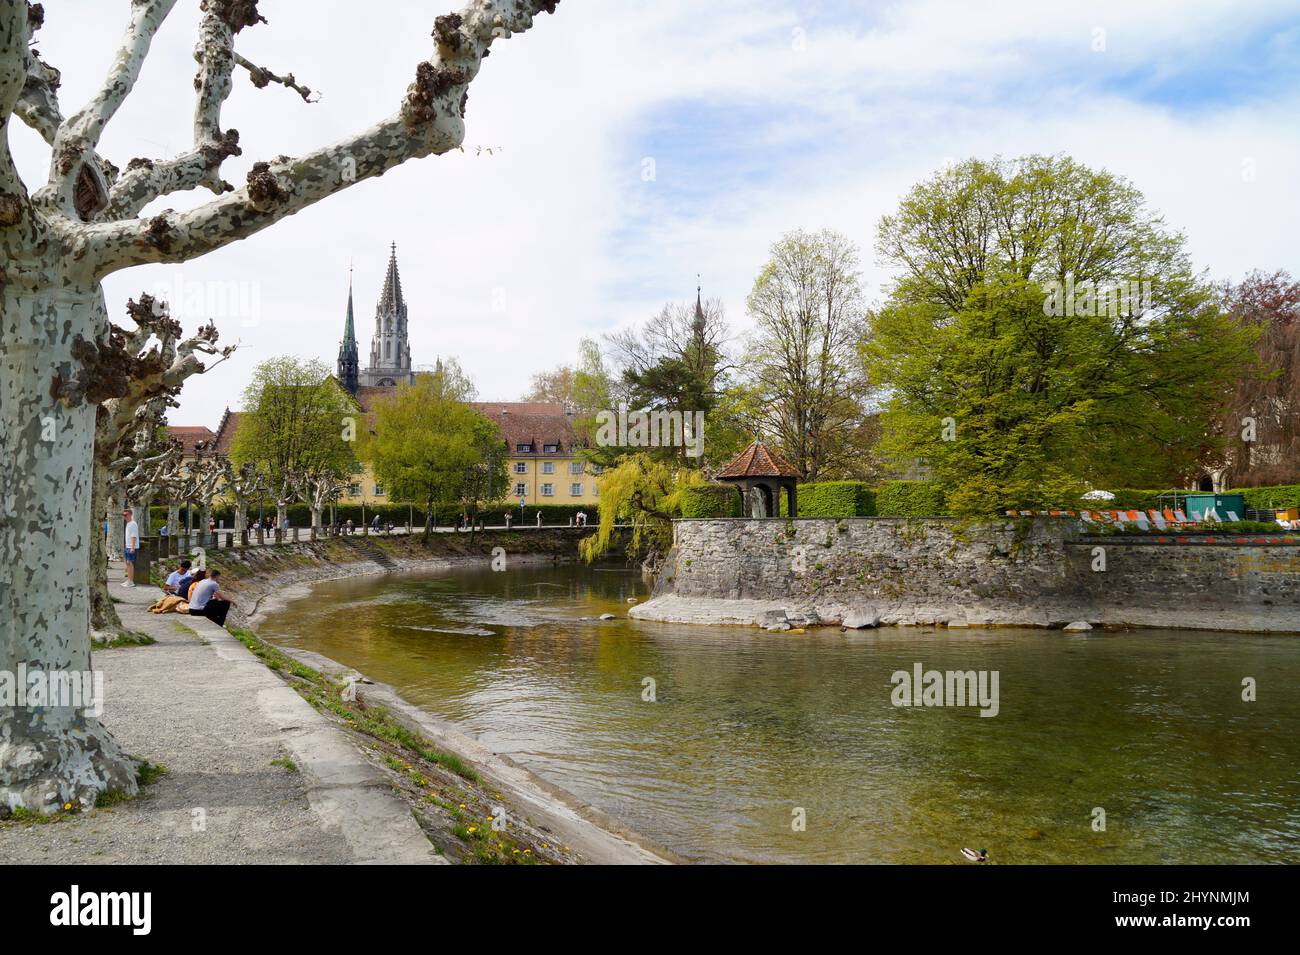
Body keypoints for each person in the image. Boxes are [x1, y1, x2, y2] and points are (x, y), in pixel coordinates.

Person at [121, 507, 140, 588]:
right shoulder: (128, 524)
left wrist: (132, 547)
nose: (124, 517)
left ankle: (131, 581)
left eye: (125, 515)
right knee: (128, 563)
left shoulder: (133, 524)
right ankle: (129, 580)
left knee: (130, 563)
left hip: (132, 546)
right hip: (128, 546)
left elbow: (134, 536)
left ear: (130, 515)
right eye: (123, 515)